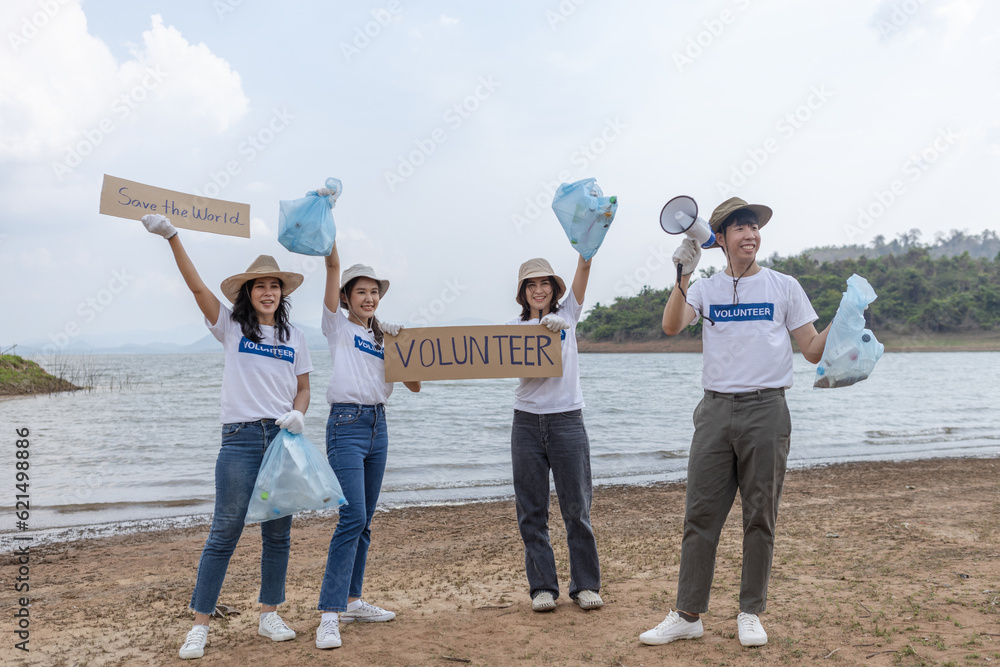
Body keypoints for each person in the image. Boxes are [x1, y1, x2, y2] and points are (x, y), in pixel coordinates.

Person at [639, 197, 830, 648]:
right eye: (739, 228)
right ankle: (688, 614)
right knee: (699, 514)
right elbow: (671, 325)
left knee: (760, 515)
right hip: (714, 411)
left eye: (754, 226)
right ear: (719, 239)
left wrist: (844, 317)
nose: (750, 234)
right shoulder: (705, 289)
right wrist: (683, 274)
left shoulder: (784, 286)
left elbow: (811, 349)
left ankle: (750, 611)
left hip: (767, 409)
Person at [138, 214, 312, 660]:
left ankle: (269, 613)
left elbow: (304, 387)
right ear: (247, 294)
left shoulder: (296, 336)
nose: (268, 292)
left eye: (274, 286)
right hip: (238, 440)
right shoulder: (231, 328)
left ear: (282, 293)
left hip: (281, 440)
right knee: (224, 532)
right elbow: (197, 289)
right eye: (260, 287)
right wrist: (173, 236)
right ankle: (199, 624)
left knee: (278, 534)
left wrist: (298, 414)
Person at [315, 241, 421, 650]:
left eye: (374, 292)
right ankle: (329, 613)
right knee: (351, 517)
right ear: (346, 298)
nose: (369, 298)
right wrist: (329, 237)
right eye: (361, 292)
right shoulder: (337, 328)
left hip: (379, 425)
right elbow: (332, 266)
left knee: (365, 521)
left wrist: (399, 344)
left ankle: (354, 600)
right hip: (346, 424)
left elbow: (414, 384)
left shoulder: (385, 335)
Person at [507, 254, 603, 613]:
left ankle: (585, 586)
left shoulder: (568, 317)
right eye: (531, 285)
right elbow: (480, 352)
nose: (538, 290)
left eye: (544, 283)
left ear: (554, 288)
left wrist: (587, 248)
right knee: (531, 511)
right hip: (526, 423)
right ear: (522, 292)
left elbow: (585, 270)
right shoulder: (511, 328)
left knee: (577, 508)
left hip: (567, 421)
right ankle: (543, 588)